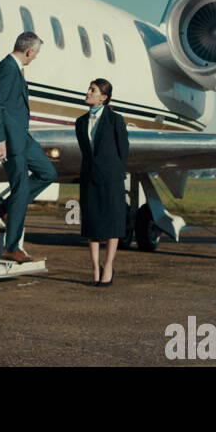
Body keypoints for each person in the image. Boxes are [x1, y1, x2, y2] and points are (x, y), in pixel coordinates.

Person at [0, 32, 57, 263]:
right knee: (20, 188)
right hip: (10, 139)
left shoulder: (15, 68)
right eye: (36, 53)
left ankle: (4, 207)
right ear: (29, 51)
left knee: (48, 173)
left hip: (22, 136)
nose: (35, 57)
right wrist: (0, 141)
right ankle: (11, 247)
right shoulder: (8, 68)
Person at [75, 78, 129, 286]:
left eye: (93, 90)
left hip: (111, 177)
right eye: (89, 88)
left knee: (112, 223)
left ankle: (108, 266)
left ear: (103, 97)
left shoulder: (115, 119)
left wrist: (116, 172)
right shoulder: (80, 122)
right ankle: (95, 268)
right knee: (92, 223)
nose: (88, 92)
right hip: (89, 177)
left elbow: (123, 150)